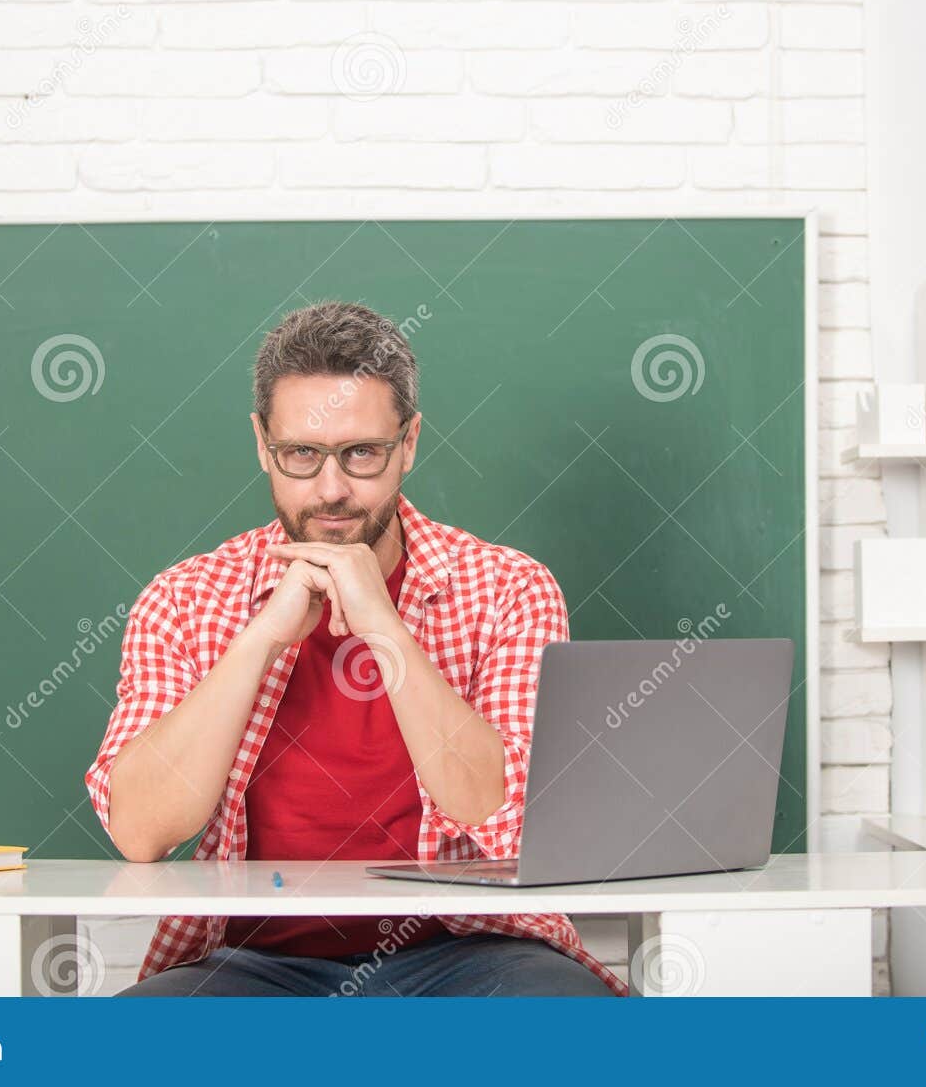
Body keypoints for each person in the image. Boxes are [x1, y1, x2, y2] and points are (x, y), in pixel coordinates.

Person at [86, 300, 622, 996]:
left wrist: (385, 628)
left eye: (362, 453)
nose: (332, 489)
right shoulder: (184, 598)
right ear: (262, 444)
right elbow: (140, 831)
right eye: (301, 454)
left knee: (574, 1025)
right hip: (252, 964)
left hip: (473, 952)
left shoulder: (510, 589)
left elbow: (500, 811)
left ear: (409, 443)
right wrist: (261, 638)